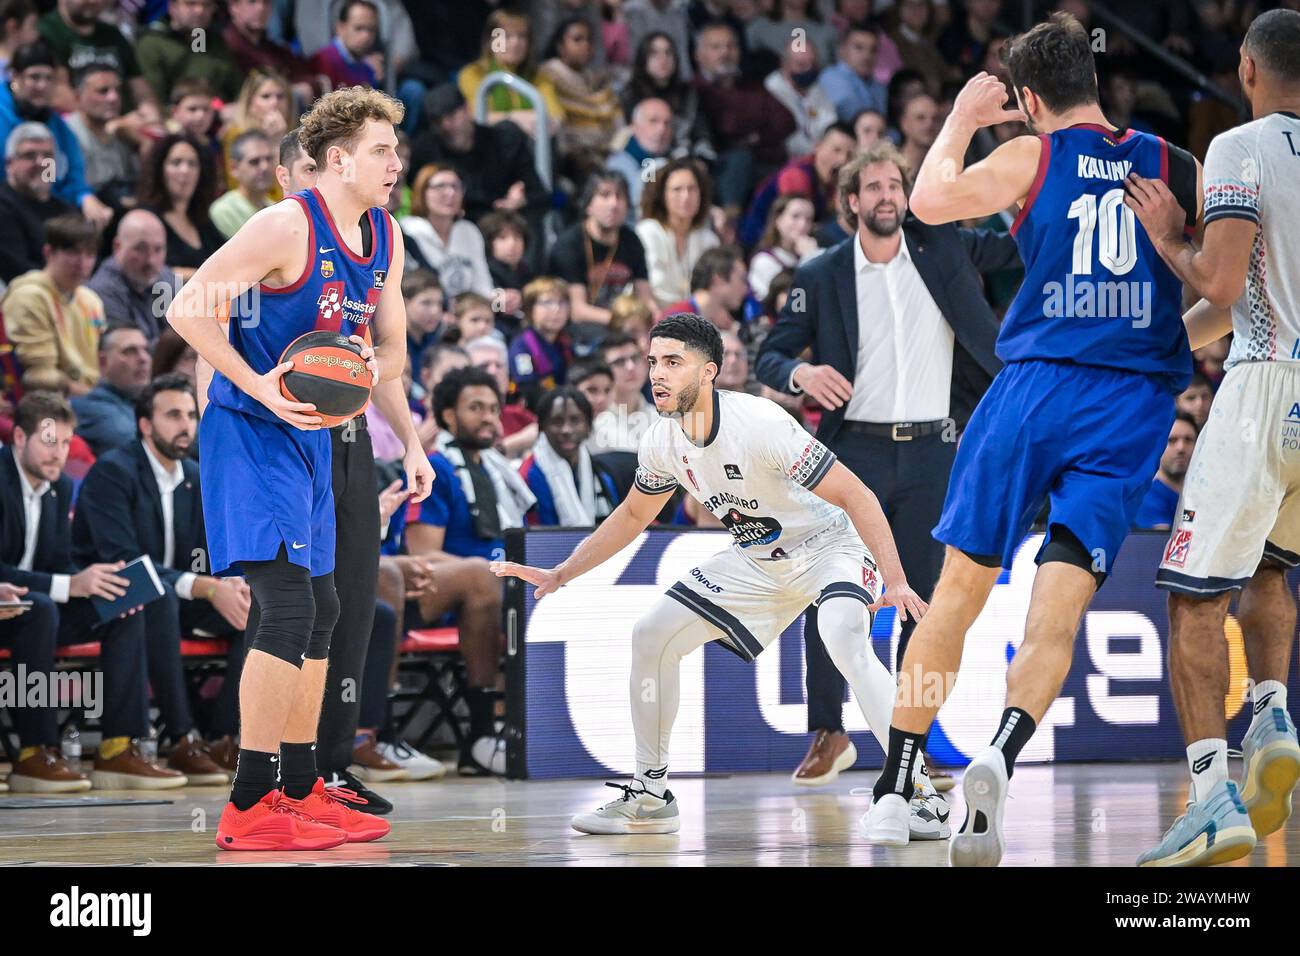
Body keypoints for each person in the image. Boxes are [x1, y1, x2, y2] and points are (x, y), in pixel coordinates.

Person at [860, 13, 1200, 864]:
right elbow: (1233, 284)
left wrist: (965, 119)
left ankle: (897, 787)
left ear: (1030, 98)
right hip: (1130, 407)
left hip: (1033, 390)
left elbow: (926, 202)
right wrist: (1163, 338)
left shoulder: (1029, 156)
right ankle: (1001, 758)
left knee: (956, 599)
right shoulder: (1177, 165)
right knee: (1057, 614)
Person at [491, 313, 939, 836]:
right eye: (654, 361)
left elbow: (856, 494)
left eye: (673, 363)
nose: (657, 374)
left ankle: (919, 793)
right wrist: (564, 572)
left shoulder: (761, 423)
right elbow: (635, 515)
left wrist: (897, 579)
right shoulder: (661, 442)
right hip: (758, 558)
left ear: (708, 373)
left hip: (828, 546)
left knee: (842, 635)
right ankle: (651, 793)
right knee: (651, 635)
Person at [165, 86, 431, 850]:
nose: (396, 163)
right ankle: (249, 803)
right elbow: (188, 307)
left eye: (396, 150)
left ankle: (301, 786)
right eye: (383, 150)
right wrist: (256, 386)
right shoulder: (285, 223)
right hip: (250, 432)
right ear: (339, 158)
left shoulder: (386, 235)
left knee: (326, 609)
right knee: (286, 607)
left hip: (316, 436)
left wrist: (409, 444)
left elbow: (393, 355)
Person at [758, 141, 1016, 790]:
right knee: (831, 591)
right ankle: (830, 730)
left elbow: (1015, 247)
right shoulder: (818, 275)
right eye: (872, 187)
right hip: (855, 453)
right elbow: (771, 354)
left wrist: (1027, 185)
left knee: (920, 604)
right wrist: (800, 371)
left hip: (934, 450)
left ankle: (912, 745)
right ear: (851, 202)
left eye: (894, 185)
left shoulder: (944, 246)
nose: (886, 197)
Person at [1123, 8, 1300, 867]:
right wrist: (1158, 348)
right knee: (1265, 564)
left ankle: (1207, 801)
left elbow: (1224, 280)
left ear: (1247, 68)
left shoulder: (1237, 145)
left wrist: (1167, 240)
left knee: (1196, 600)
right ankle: (1271, 714)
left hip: (1266, 382)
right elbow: (1242, 295)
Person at [71, 374, 242, 785]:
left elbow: (214, 554)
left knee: (257, 607)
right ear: (146, 425)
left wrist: (233, 584)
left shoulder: (196, 475)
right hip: (108, 596)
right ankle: (182, 739)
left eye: (190, 415)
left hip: (176, 596)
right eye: (172, 416)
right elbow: (126, 564)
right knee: (158, 595)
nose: (185, 425)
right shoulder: (113, 473)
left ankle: (225, 737)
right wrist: (203, 587)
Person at [0, 392, 172, 791]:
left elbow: (59, 563)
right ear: (20, 438)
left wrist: (93, 579)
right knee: (41, 609)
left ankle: (118, 748)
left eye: (64, 443)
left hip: (35, 611)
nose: (58, 454)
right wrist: (68, 584)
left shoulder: (60, 489)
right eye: (48, 441)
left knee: (123, 607)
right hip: (16, 611)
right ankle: (34, 751)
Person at [406, 366, 535, 775]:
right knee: (483, 577)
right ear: (447, 416)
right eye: (475, 408)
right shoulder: (437, 467)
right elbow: (422, 554)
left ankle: (531, 727)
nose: (488, 418)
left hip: (496, 588)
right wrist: (495, 571)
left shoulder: (497, 470)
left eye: (494, 409)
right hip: (439, 591)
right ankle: (481, 732)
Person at [407, 83, 550, 257]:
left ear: (467, 109)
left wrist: (520, 201)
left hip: (506, 226)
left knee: (526, 223)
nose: (446, 126)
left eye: (451, 116)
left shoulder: (505, 141)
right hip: (458, 229)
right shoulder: (425, 150)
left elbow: (541, 194)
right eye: (438, 121)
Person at [0, 41, 111, 226]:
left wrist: (83, 197)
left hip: (43, 207)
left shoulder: (57, 126)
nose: (42, 85)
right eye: (34, 77)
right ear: (14, 77)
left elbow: (54, 177)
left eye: (48, 78)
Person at [1, 212, 103, 396]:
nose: (83, 263)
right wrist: (95, 398)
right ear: (48, 252)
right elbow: (38, 375)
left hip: (92, 394)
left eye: (90, 254)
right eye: (73, 252)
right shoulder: (29, 297)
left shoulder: (91, 300)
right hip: (51, 402)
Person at [548, 170, 654, 325]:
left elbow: (645, 297)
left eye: (620, 196)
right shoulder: (570, 244)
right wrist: (625, 322)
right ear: (588, 205)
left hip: (621, 324)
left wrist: (656, 318)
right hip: (577, 331)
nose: (614, 204)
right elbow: (578, 311)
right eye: (605, 195)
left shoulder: (631, 240)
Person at [457, 8, 563, 141]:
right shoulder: (473, 74)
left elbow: (556, 115)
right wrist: (519, 119)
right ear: (491, 40)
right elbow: (478, 116)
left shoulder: (539, 76)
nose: (515, 43)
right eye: (506, 36)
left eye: (522, 36)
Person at [521, 385, 621, 526]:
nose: (566, 430)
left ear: (588, 427)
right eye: (557, 421)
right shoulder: (528, 475)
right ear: (542, 427)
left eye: (575, 420)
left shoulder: (601, 475)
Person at [539, 15, 623, 176]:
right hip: (571, 161)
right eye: (577, 40)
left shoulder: (594, 78)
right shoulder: (549, 75)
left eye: (589, 40)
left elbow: (615, 122)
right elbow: (559, 126)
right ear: (560, 46)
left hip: (607, 155)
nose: (586, 45)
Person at [137, 132, 223, 281]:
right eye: (176, 163)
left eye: (192, 164)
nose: (185, 170)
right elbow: (144, 270)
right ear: (160, 170)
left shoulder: (202, 220)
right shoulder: (145, 218)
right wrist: (206, 277)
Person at [635, 157, 719, 307]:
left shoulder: (709, 240)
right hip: (654, 317)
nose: (686, 196)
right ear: (662, 196)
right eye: (677, 189)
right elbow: (653, 288)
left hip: (694, 322)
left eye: (692, 189)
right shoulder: (648, 231)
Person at [400, 164, 493, 299]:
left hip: (466, 313)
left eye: (456, 186)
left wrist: (500, 301)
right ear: (422, 192)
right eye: (440, 186)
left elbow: (483, 287)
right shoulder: (407, 229)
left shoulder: (468, 231)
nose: (450, 193)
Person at [86, 209, 177, 344]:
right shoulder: (101, 293)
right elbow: (133, 355)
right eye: (140, 249)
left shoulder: (165, 276)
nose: (150, 260)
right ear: (117, 246)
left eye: (158, 249)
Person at [619, 31, 712, 159]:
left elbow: (701, 134)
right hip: (642, 160)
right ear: (643, 59)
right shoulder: (629, 95)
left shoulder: (688, 93)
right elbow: (624, 137)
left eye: (668, 53)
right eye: (654, 53)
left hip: (684, 157)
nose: (663, 59)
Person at [0, 121, 71, 283]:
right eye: (29, 156)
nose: (41, 163)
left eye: (48, 156)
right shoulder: (3, 206)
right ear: (9, 164)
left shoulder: (66, 210)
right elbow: (18, 271)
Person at [62, 62, 140, 206]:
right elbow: (54, 182)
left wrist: (142, 144)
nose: (113, 98)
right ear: (78, 96)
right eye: (103, 91)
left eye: (117, 90)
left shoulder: (125, 132)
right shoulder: (64, 132)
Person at [135, 0, 242, 104]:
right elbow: (153, 103)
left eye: (207, 5)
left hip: (219, 115)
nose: (200, 10)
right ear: (172, 7)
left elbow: (236, 88)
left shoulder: (213, 41)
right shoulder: (152, 44)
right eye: (190, 3)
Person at [70, 325, 151, 456]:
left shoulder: (145, 403)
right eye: (129, 351)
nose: (143, 358)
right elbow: (145, 454)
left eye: (146, 350)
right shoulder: (92, 408)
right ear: (103, 362)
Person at [223, 0, 322, 106]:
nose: (261, 8)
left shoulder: (277, 50)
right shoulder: (224, 49)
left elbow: (310, 82)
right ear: (233, 6)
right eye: (252, 2)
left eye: (266, 3)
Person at [220, 68, 292, 197]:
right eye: (266, 96)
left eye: (280, 96)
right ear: (250, 103)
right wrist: (275, 144)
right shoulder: (236, 135)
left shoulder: (294, 138)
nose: (274, 103)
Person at [508, 276, 576, 413]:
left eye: (562, 303)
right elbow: (528, 389)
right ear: (530, 309)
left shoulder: (565, 342)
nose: (556, 309)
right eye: (547, 303)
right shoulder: (521, 346)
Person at [764, 37, 835, 158]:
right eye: (801, 65)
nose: (809, 69)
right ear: (784, 64)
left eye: (812, 63)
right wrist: (819, 151)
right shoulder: (771, 89)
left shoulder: (815, 87)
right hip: (786, 160)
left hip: (820, 153)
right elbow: (789, 137)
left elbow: (830, 121)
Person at [605, 96, 674, 217]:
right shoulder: (618, 164)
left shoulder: (678, 158)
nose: (662, 129)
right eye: (653, 121)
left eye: (667, 123)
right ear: (634, 126)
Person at [590, 331, 656, 453]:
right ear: (603, 371)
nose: (630, 367)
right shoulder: (596, 423)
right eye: (619, 362)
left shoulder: (659, 418)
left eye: (635, 358)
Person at [1132, 414, 1197, 532]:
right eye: (1171, 440)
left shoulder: (1202, 493)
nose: (1181, 448)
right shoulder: (1147, 496)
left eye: (1188, 440)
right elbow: (1160, 543)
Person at [659, 245, 749, 330]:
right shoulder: (676, 321)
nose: (746, 290)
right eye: (742, 279)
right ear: (718, 279)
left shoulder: (720, 325)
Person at [747, 194, 820, 300]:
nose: (803, 224)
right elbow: (796, 304)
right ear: (778, 219)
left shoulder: (809, 253)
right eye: (795, 216)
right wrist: (810, 259)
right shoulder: (764, 261)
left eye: (808, 219)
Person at [209, 130, 275, 238]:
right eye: (254, 161)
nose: (265, 167)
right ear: (234, 168)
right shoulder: (224, 211)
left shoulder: (276, 207)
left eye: (269, 159)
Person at [819, 23, 889, 123]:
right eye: (859, 47)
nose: (867, 56)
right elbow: (856, 122)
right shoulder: (831, 77)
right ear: (841, 50)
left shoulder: (879, 87)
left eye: (873, 50)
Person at [309, 0, 383, 92]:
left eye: (371, 29)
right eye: (359, 28)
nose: (366, 36)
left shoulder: (369, 70)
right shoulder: (322, 62)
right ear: (340, 28)